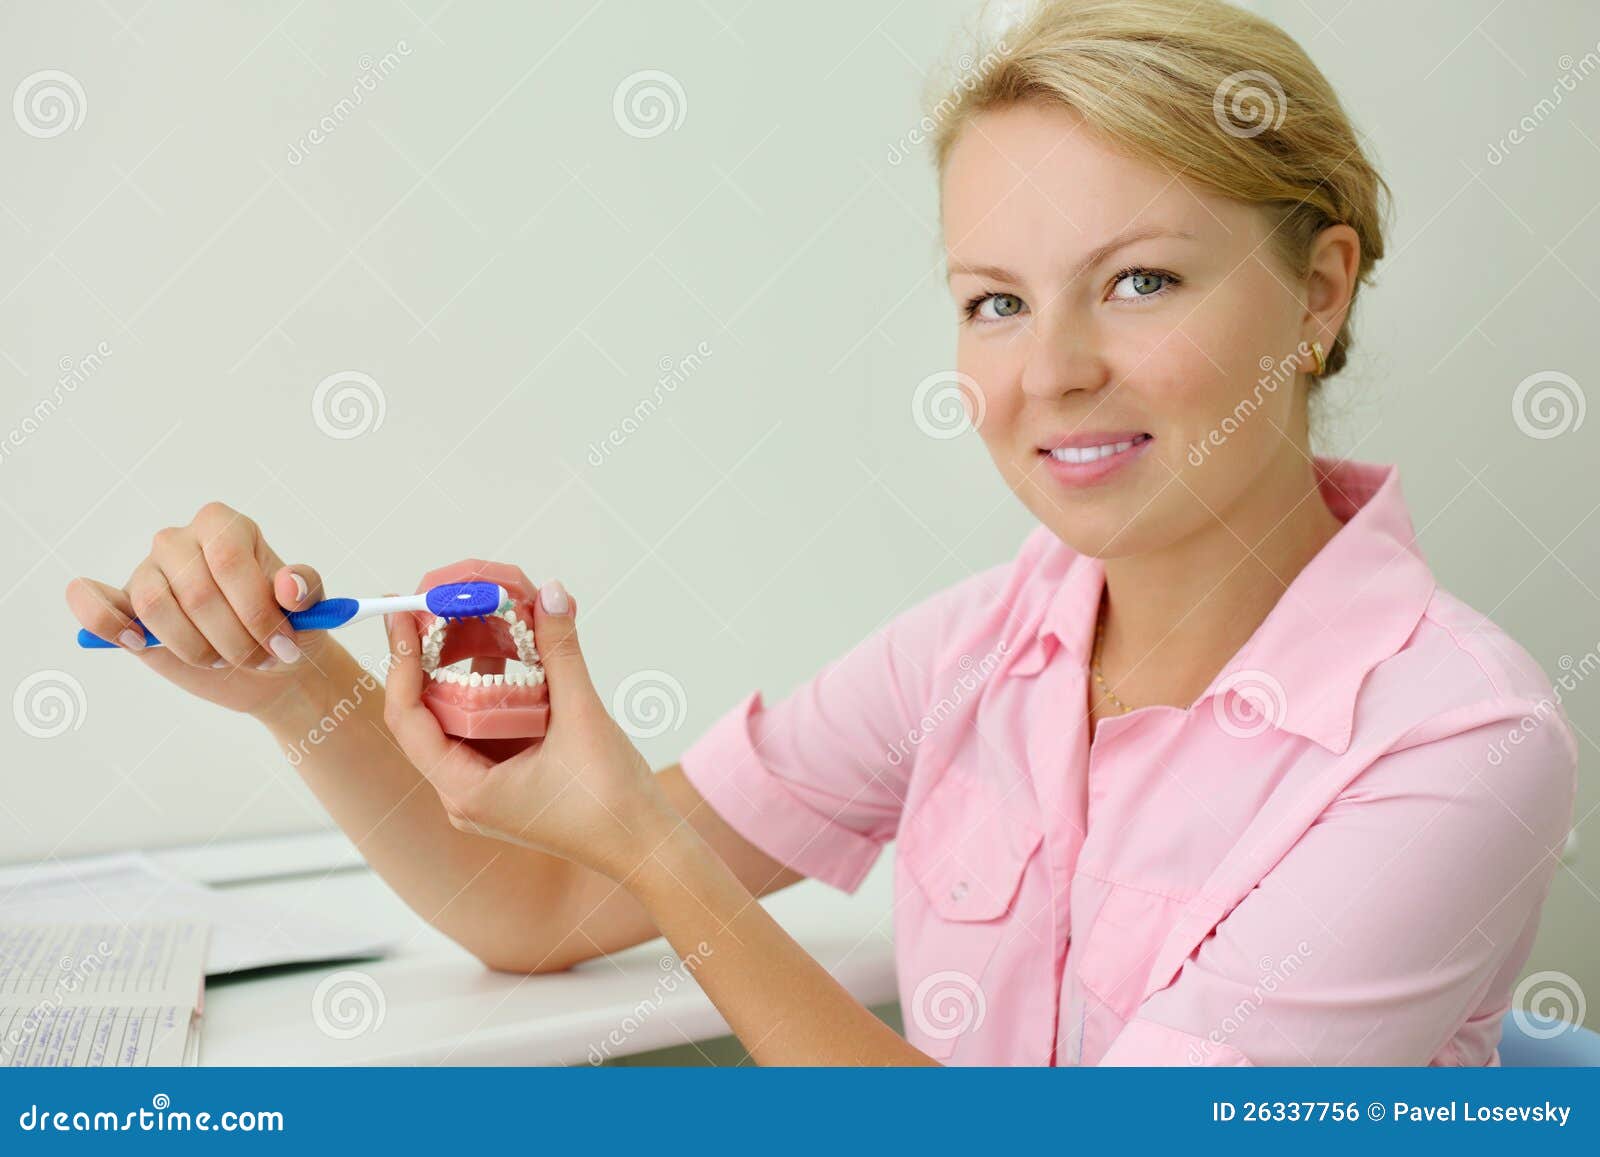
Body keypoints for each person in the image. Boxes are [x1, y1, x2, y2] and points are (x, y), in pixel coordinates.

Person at [65, 0, 1577, 1065]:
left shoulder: (1456, 740)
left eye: (1139, 282)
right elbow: (534, 906)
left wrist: (659, 853)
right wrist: (295, 691)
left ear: (1318, 292)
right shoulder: (981, 652)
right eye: (995, 300)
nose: (1047, 372)